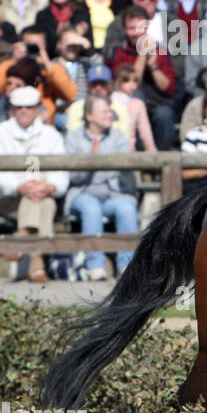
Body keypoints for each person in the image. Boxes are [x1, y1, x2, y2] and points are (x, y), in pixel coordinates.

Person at [0, 86, 69, 281]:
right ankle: (37, 265)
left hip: (41, 196)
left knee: (40, 202)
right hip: (8, 200)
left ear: (38, 108)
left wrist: (50, 187)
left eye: (29, 107)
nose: (24, 110)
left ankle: (21, 240)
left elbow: (62, 172)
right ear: (12, 109)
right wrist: (19, 187)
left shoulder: (51, 135)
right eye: (18, 106)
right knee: (42, 203)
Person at [64, 93, 137, 281]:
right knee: (91, 207)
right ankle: (95, 265)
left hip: (113, 194)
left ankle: (127, 265)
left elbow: (123, 171)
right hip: (83, 192)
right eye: (104, 111)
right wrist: (91, 160)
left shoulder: (119, 137)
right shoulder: (74, 138)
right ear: (89, 116)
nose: (109, 115)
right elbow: (73, 177)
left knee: (126, 208)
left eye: (110, 111)